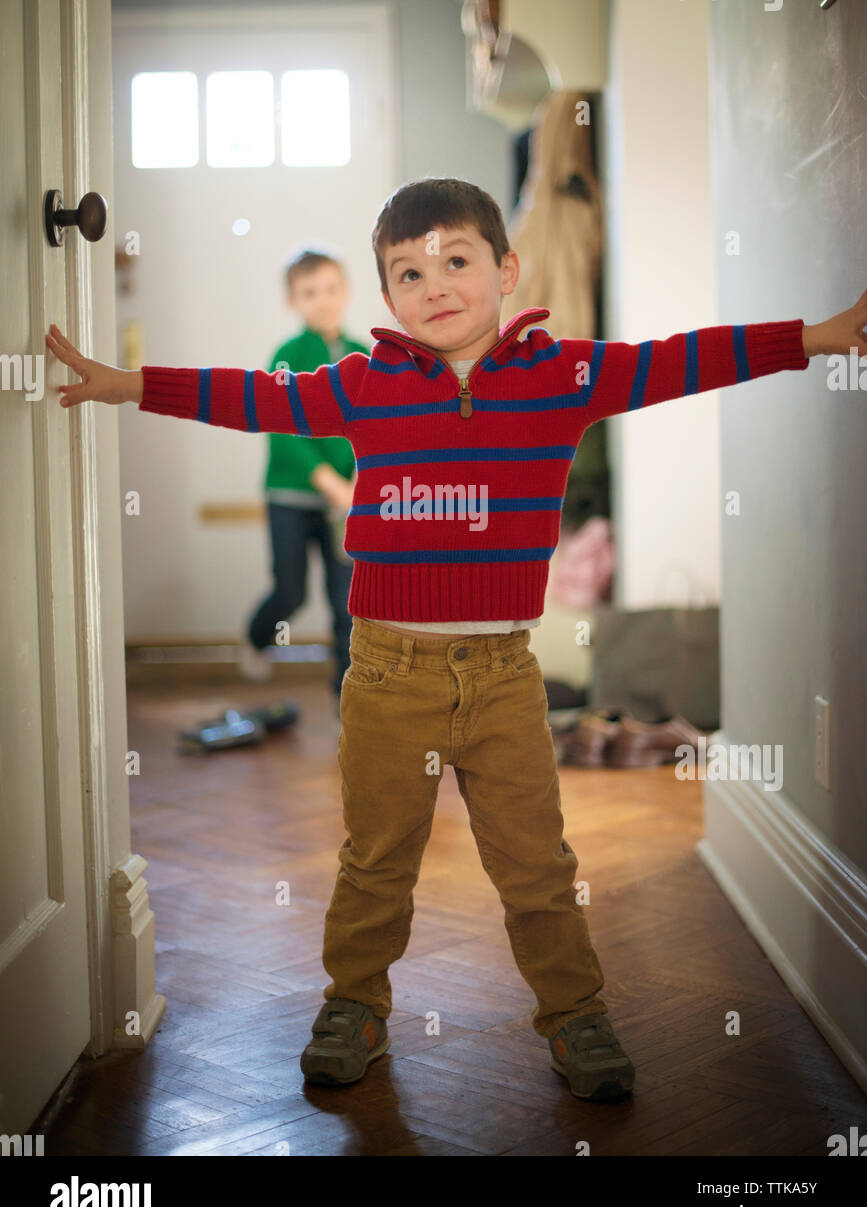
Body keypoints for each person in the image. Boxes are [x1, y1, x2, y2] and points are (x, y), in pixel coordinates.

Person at [46, 177, 867, 1102]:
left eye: (455, 261)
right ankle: (353, 1004)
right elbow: (251, 397)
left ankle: (575, 1014)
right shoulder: (362, 382)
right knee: (375, 858)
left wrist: (812, 337)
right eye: (406, 271)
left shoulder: (564, 375)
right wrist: (127, 385)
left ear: (505, 269)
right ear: (385, 295)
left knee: (537, 865)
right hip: (389, 671)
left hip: (505, 676)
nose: (432, 285)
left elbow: (683, 358)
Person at [239, 246, 370, 709]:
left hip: (347, 504)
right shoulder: (287, 355)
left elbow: (374, 426)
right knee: (290, 591)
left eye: (331, 289)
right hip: (291, 498)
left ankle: (346, 696)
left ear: (347, 292)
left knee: (346, 600)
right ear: (291, 301)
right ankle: (256, 639)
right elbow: (281, 430)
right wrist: (327, 481)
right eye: (309, 292)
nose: (323, 300)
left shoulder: (364, 356)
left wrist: (356, 483)